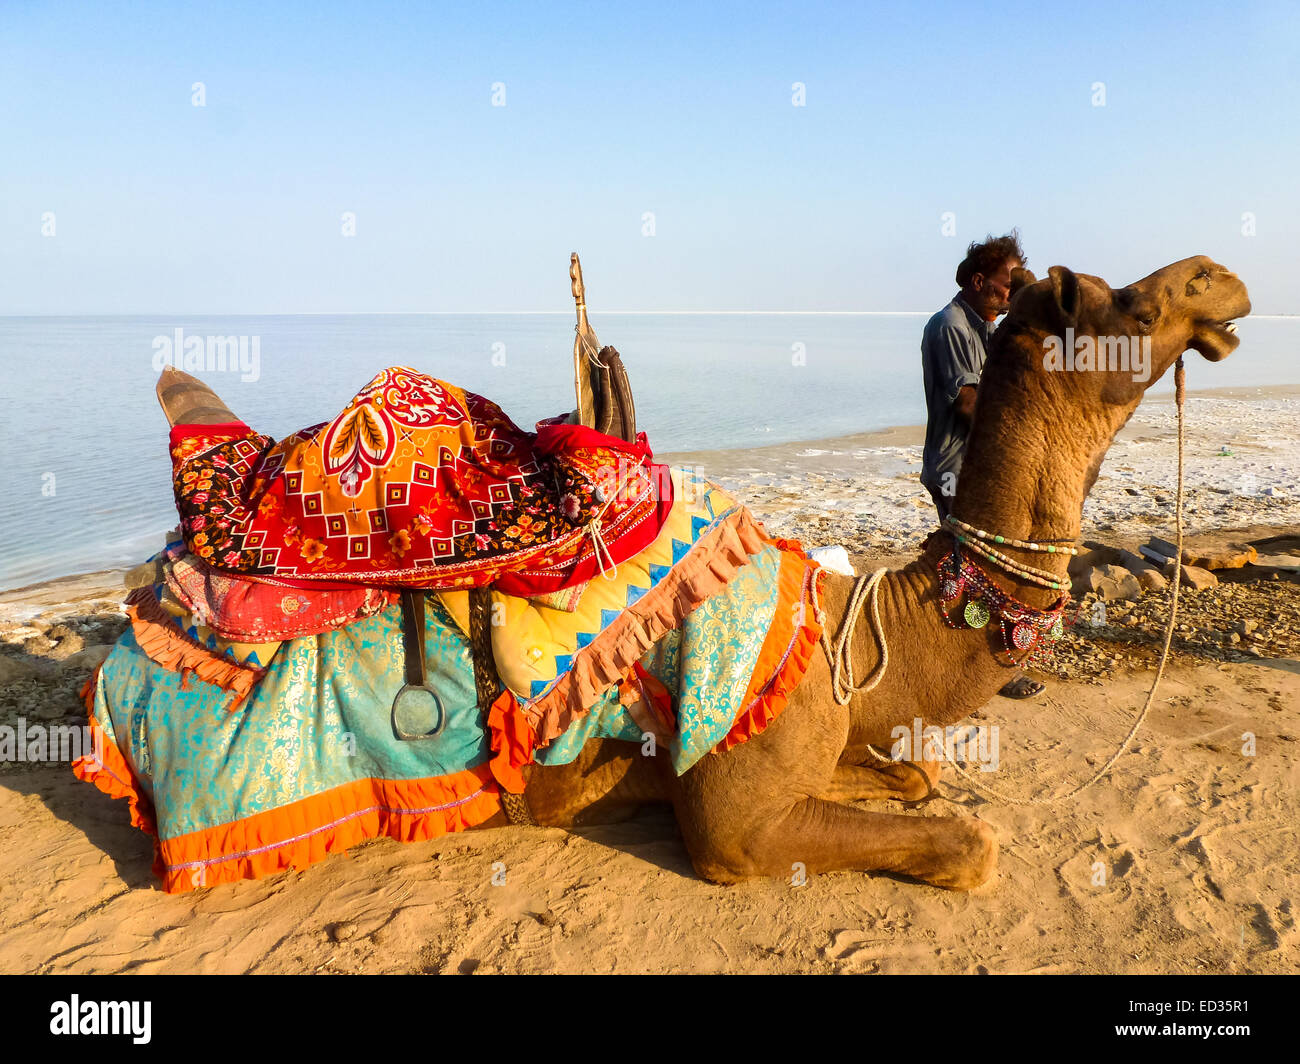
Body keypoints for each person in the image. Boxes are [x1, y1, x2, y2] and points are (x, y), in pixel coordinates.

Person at [920, 231, 1045, 699]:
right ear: (978, 281)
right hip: (958, 467)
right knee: (979, 571)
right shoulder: (952, 325)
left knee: (976, 569)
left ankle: (968, 661)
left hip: (973, 466)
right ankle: (985, 670)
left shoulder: (984, 327)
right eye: (1004, 286)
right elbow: (969, 404)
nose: (1009, 296)